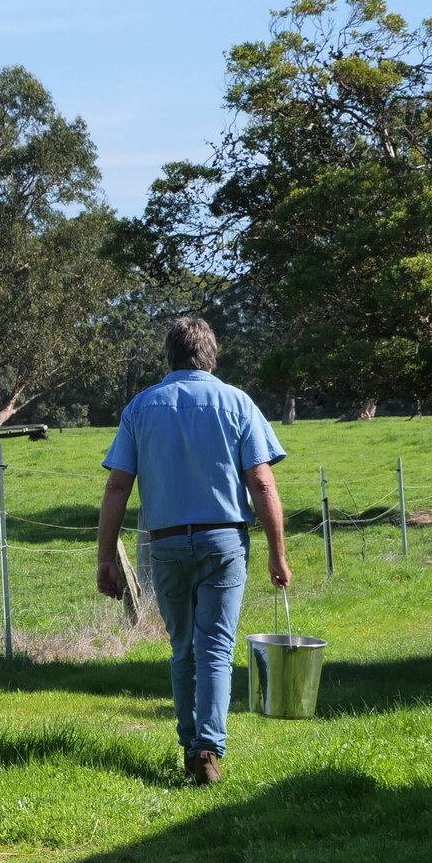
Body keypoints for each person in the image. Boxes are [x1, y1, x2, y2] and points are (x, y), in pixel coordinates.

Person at [95, 317, 289, 786]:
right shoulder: (236, 402)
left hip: (164, 545)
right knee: (216, 649)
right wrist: (276, 552)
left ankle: (189, 747)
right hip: (223, 539)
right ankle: (209, 747)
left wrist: (105, 556)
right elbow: (261, 480)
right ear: (210, 355)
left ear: (170, 356)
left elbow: (119, 483)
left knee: (181, 648)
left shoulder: (141, 408)